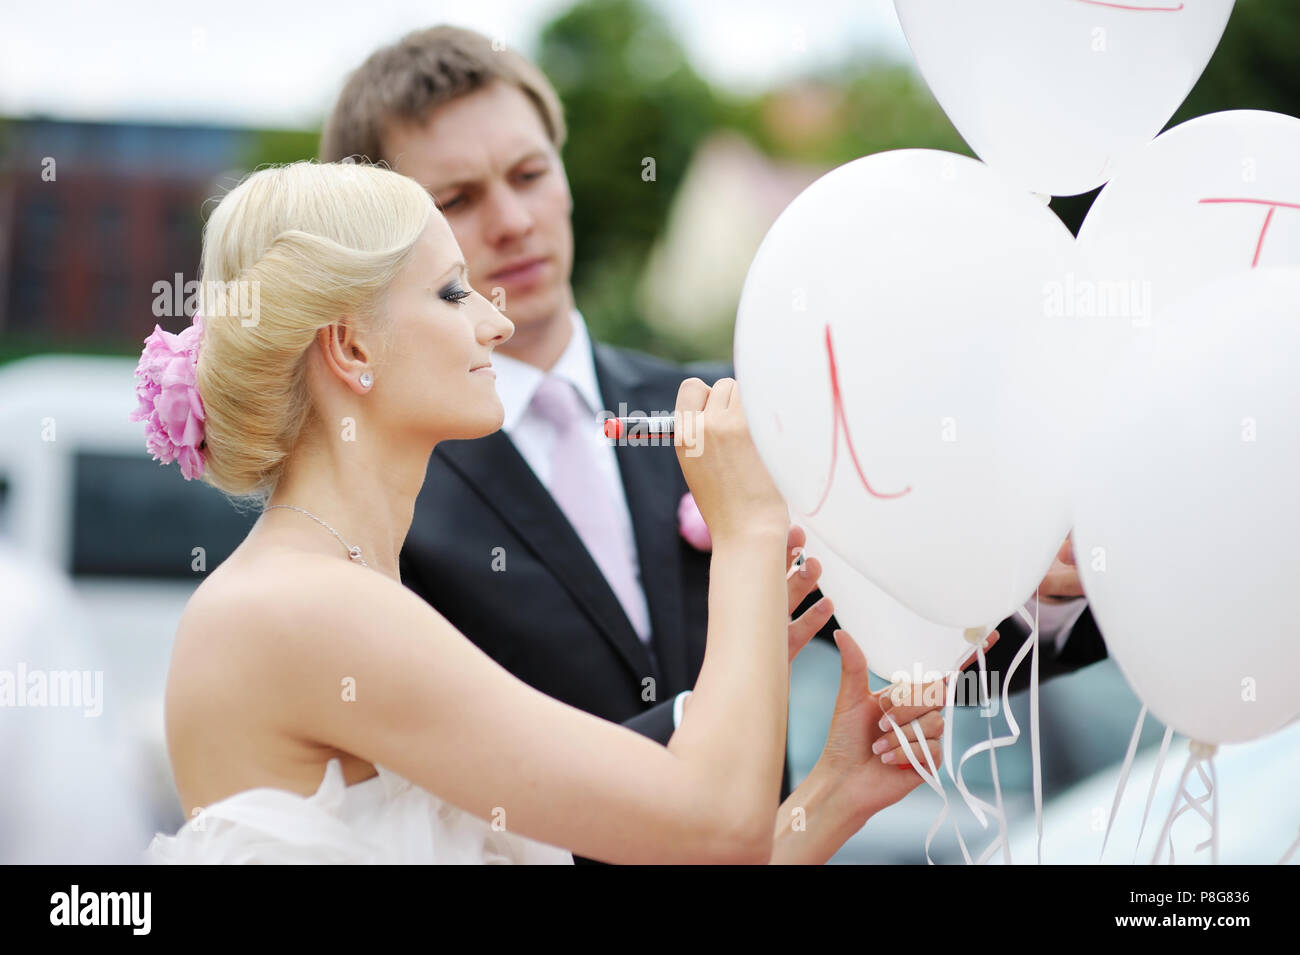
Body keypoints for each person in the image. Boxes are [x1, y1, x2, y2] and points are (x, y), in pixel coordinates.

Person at [317, 23, 1108, 827]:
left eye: (529, 172)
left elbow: (910, 638)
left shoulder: (732, 403)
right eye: (457, 199)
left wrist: (1031, 588)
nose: (514, 219)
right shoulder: (391, 492)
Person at [141, 161, 953, 864]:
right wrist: (746, 528)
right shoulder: (306, 606)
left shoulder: (340, 594)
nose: (495, 322)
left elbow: (702, 842)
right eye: (452, 291)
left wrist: (836, 789)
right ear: (351, 347)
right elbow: (716, 824)